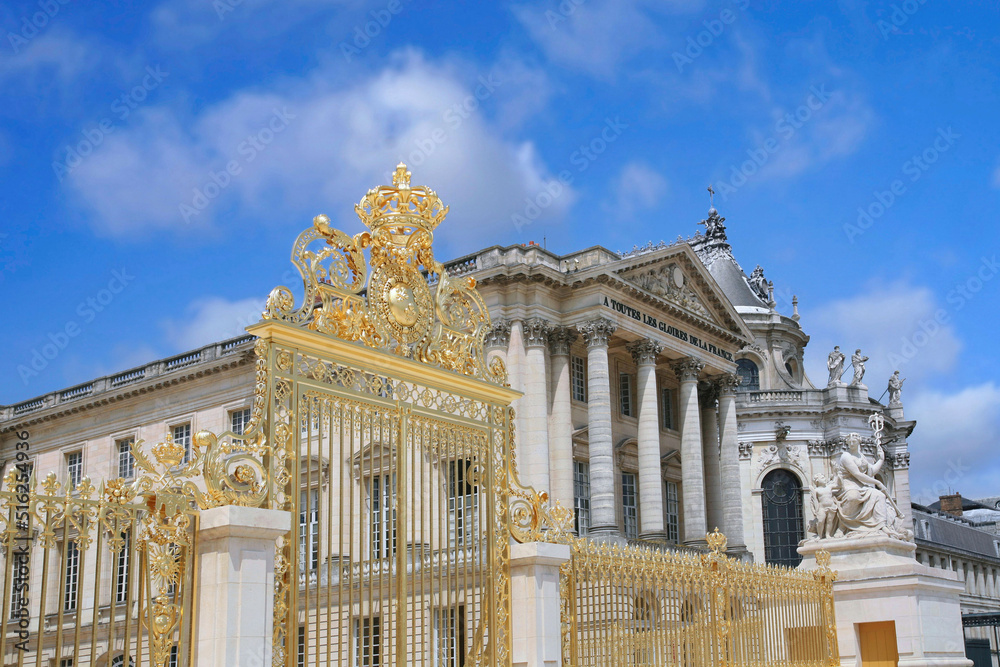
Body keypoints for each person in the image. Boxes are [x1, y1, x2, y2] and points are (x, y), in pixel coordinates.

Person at [835, 433, 909, 539]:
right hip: (847, 484)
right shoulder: (845, 456)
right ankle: (842, 527)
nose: (851, 443)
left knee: (879, 495)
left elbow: (871, 471)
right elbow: (857, 474)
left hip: (860, 485)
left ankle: (882, 525)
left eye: (854, 441)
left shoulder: (862, 457)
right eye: (849, 442)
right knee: (853, 496)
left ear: (859, 442)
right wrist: (877, 483)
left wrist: (881, 460)